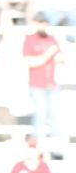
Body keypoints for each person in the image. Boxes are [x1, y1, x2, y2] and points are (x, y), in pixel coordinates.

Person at [23, 13, 62, 145]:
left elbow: (60, 58)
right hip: (37, 85)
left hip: (52, 83)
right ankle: (38, 147)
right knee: (39, 116)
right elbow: (30, 61)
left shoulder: (52, 39)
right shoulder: (30, 40)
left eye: (44, 22)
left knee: (55, 116)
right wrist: (48, 55)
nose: (42, 25)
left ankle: (56, 148)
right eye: (40, 22)